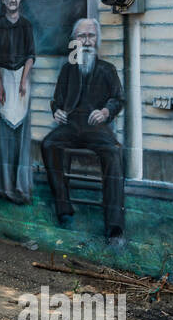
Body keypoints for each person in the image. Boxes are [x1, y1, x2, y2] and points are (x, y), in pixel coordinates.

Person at [41, 17, 126, 243]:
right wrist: (57, 110)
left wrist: (106, 112)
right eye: (82, 36)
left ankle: (114, 227)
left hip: (96, 127)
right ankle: (64, 210)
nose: (87, 41)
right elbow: (56, 100)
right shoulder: (68, 70)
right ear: (75, 41)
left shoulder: (108, 70)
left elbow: (118, 99)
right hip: (71, 125)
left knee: (115, 153)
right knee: (48, 144)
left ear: (97, 40)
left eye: (91, 36)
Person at [0, 0, 36, 204]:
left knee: (21, 135)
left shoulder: (26, 25)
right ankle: (2, 186)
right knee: (4, 136)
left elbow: (30, 55)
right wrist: (1, 88)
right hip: (4, 80)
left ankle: (21, 187)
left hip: (22, 82)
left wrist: (24, 81)